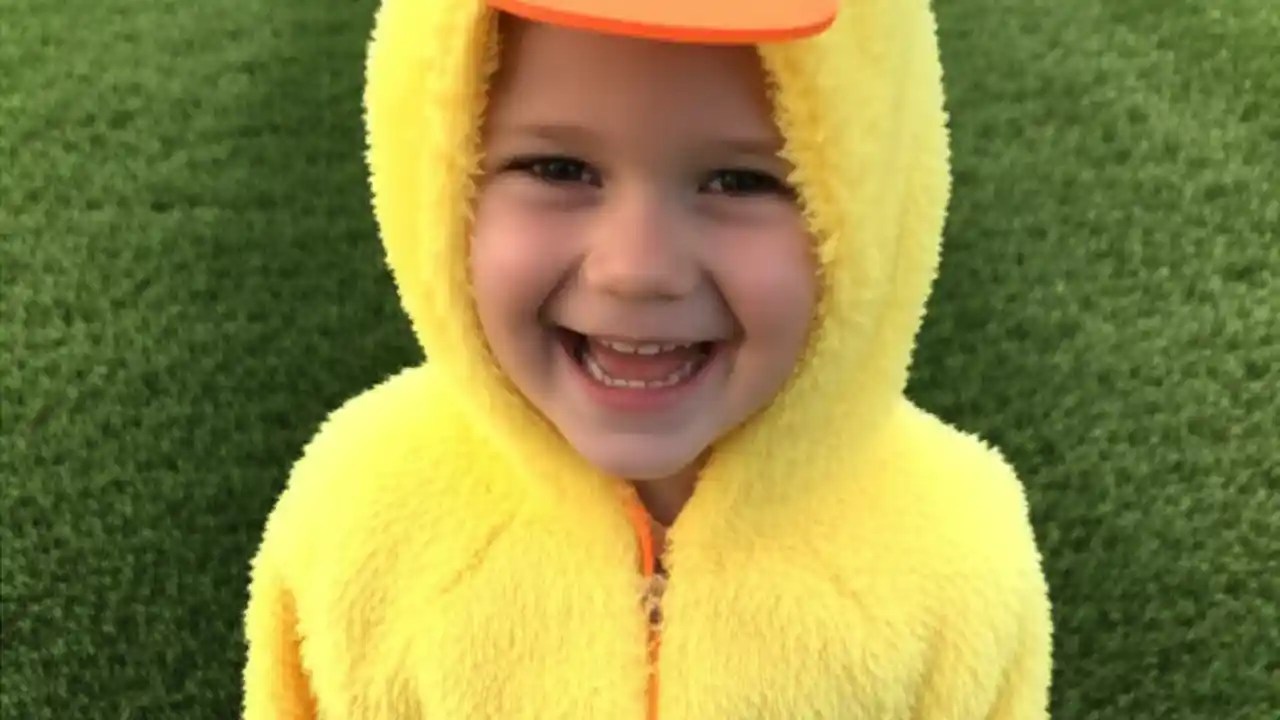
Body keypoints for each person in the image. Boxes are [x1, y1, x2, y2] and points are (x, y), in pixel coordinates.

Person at [240, 0, 1055, 717]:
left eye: (739, 181)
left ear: (873, 194)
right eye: (558, 168)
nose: (637, 268)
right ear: (436, 171)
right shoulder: (355, 522)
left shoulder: (957, 558)